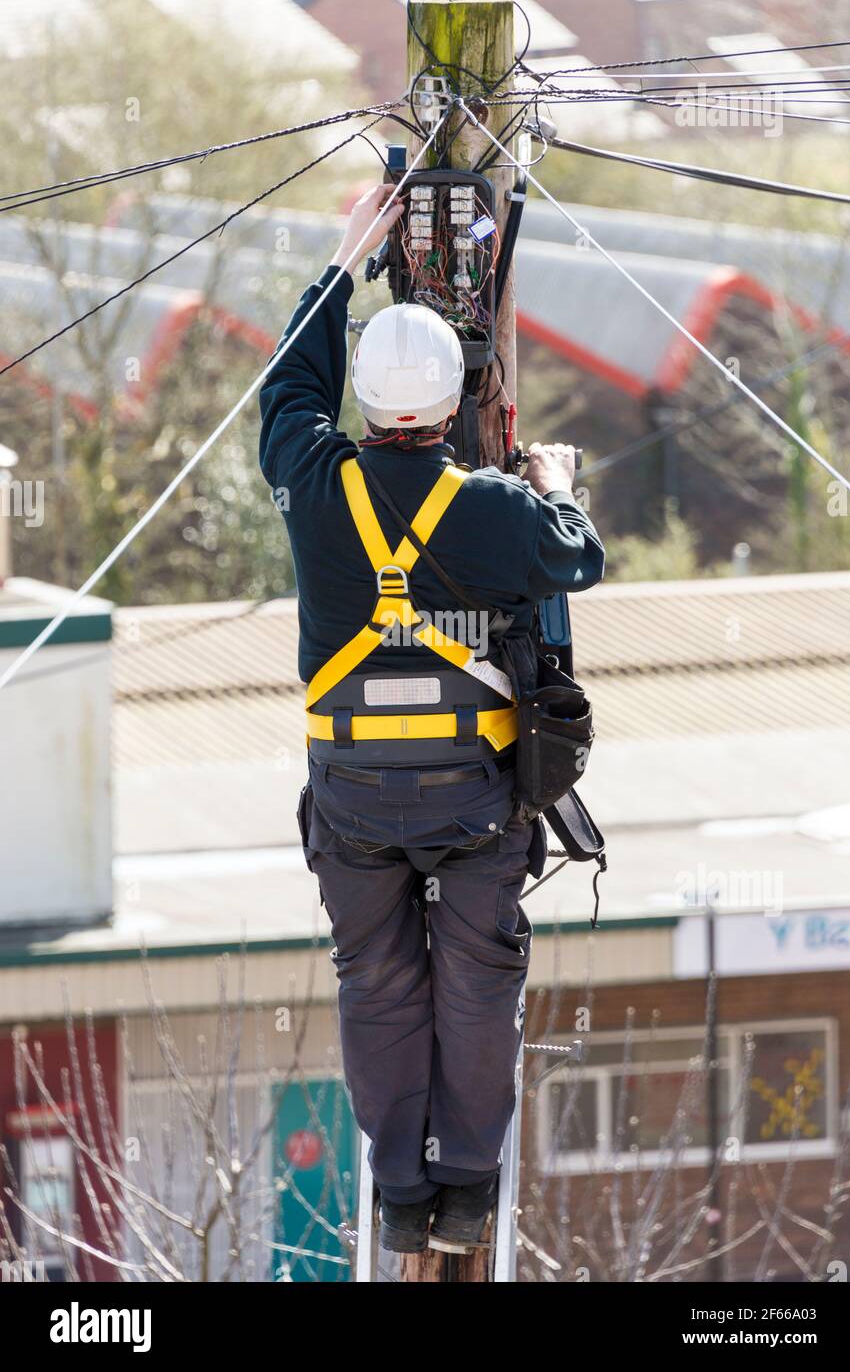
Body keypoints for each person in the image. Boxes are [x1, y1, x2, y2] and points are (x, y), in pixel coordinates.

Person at [259, 183, 604, 1253]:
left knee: (376, 981)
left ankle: (400, 1192)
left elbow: (286, 387)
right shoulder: (499, 513)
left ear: (367, 408)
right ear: (453, 409)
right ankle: (465, 1186)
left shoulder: (315, 485)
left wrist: (348, 253)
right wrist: (549, 482)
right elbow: (580, 555)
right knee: (476, 983)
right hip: (472, 797)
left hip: (358, 798)